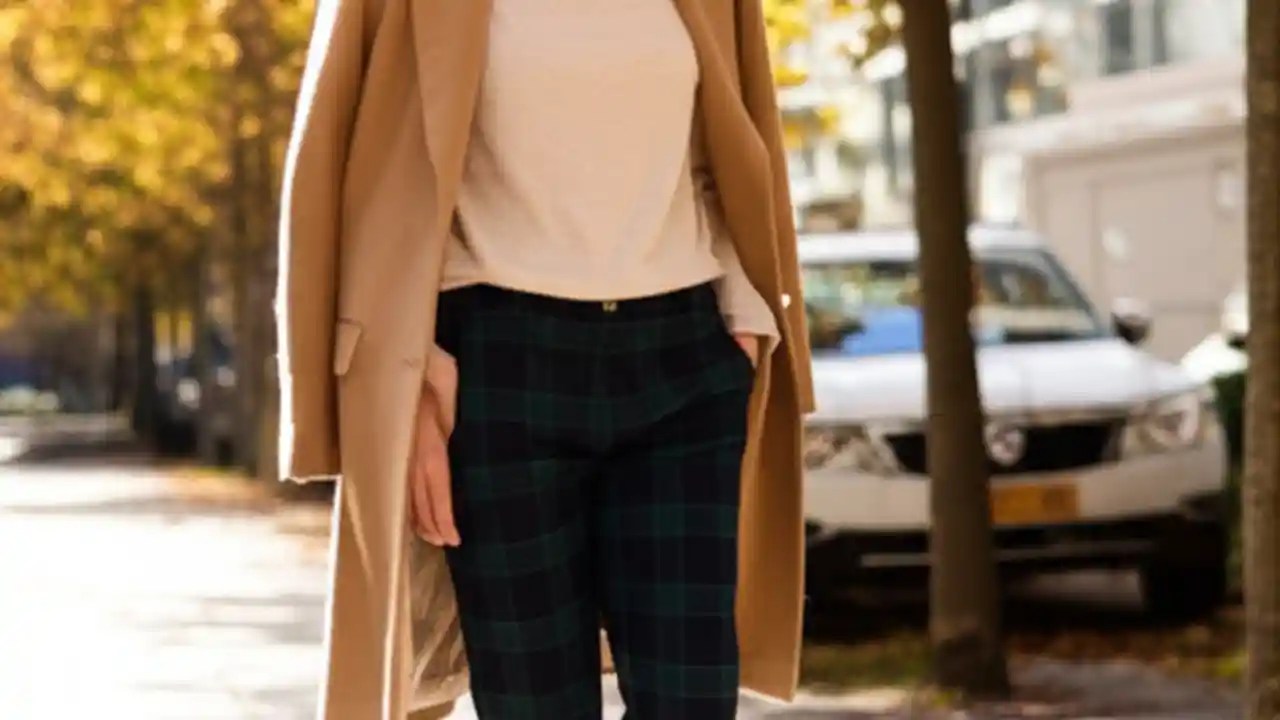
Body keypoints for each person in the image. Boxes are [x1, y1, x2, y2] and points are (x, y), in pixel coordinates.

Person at [275, 1, 815, 718]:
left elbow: (726, 134)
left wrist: (743, 312)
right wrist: (409, 367)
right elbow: (340, 168)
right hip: (496, 374)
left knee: (693, 702)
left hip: (683, 364)